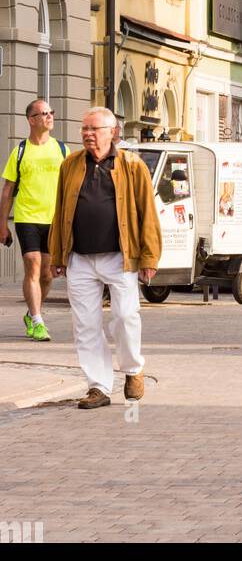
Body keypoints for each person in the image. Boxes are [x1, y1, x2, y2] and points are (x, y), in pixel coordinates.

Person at [49, 108, 162, 411]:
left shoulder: (132, 166)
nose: (88, 134)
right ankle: (97, 386)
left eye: (94, 129)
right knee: (85, 324)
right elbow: (60, 210)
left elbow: (147, 214)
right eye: (84, 128)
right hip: (80, 258)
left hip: (120, 256)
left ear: (113, 132)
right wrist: (58, 253)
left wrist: (149, 257)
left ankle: (133, 369)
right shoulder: (71, 164)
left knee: (125, 316)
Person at [0, 100, 68, 342]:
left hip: (54, 219)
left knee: (47, 275)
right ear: (31, 120)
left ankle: (31, 314)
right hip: (27, 216)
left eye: (51, 112)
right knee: (32, 263)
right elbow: (8, 190)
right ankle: (38, 321)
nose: (50, 116)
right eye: (44, 113)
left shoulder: (62, 150)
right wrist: (2, 224)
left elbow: (72, 187)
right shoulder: (20, 151)